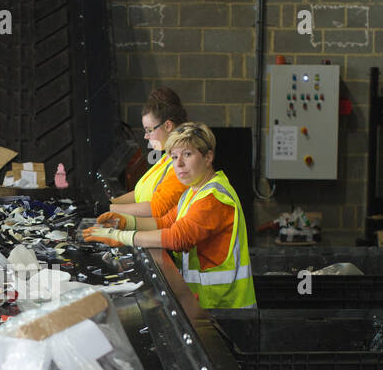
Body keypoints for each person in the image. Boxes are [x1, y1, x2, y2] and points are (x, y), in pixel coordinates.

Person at [84, 121, 256, 310]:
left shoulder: (214, 198)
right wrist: (125, 222)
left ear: (208, 157)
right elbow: (166, 222)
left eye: (187, 155)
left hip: (227, 309)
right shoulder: (194, 191)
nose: (179, 164)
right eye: (174, 157)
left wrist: (120, 237)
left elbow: (177, 237)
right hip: (208, 302)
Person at [101, 88, 188, 231]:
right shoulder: (166, 157)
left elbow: (156, 209)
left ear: (167, 125)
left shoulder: (181, 164)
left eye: (149, 130)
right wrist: (109, 203)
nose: (146, 136)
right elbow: (140, 193)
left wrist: (108, 208)